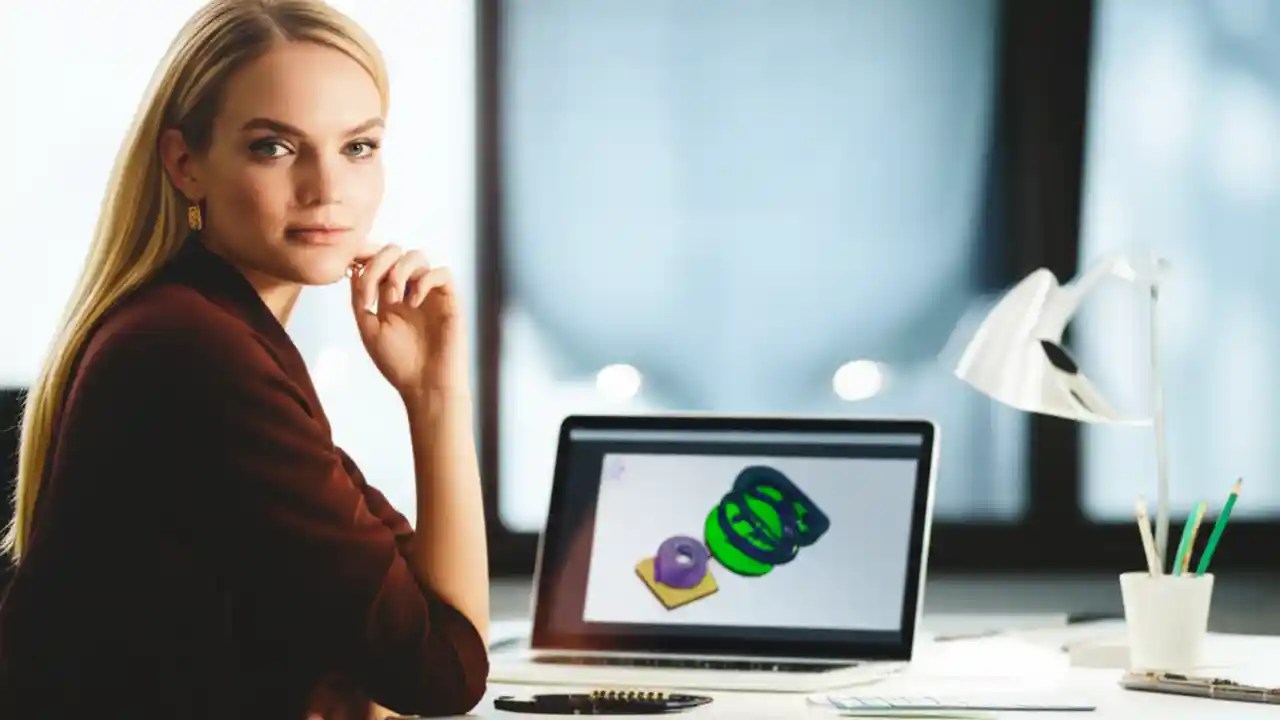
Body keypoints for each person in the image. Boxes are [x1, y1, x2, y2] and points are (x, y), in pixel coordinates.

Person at [0, 1, 489, 717]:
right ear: (185, 164)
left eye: (358, 146)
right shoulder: (195, 350)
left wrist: (432, 392)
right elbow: (441, 673)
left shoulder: (208, 324)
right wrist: (440, 407)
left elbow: (417, 618)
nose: (328, 189)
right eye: (275, 147)